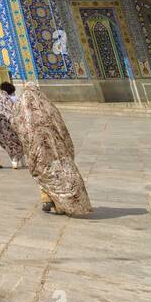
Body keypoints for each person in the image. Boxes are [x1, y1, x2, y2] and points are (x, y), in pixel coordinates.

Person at [15, 82, 92, 216]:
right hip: (56, 148)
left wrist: (27, 146)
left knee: (42, 173)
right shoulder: (48, 106)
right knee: (58, 174)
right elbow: (60, 125)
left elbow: (20, 128)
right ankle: (59, 204)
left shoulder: (21, 107)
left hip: (36, 148)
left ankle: (48, 199)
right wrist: (66, 144)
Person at [0, 81, 26, 170]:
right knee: (17, 141)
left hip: (1, 123)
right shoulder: (12, 98)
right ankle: (20, 161)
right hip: (11, 122)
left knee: (7, 142)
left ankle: (14, 161)